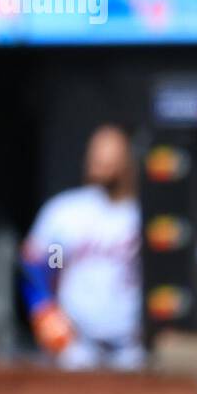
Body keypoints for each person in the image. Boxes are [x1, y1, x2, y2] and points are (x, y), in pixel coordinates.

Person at [21, 125, 144, 371]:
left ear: (126, 162)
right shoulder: (66, 211)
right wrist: (43, 310)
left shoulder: (144, 215)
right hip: (76, 345)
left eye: (107, 159)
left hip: (133, 346)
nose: (98, 165)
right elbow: (33, 265)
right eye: (95, 158)